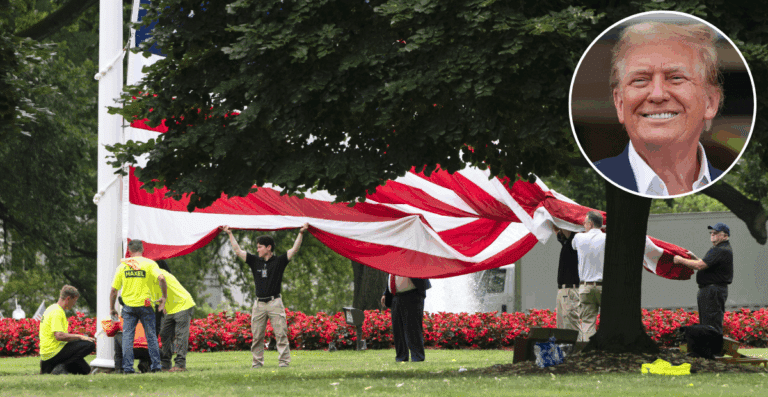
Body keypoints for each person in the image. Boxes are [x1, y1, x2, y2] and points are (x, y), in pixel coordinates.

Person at [594, 21, 724, 196]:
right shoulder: (594, 183)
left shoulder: (731, 187)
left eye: (676, 78)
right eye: (640, 80)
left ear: (710, 102)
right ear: (620, 104)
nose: (657, 95)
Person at [221, 223, 309, 368]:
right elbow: (237, 251)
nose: (257, 249)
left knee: (281, 334)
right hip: (259, 304)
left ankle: (284, 363)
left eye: (260, 247)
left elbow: (294, 249)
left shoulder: (279, 261)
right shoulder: (255, 261)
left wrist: (301, 233)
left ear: (268, 247)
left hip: (275, 303)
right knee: (257, 336)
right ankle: (257, 363)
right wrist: (230, 233)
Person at [109, 239, 167, 374]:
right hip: (146, 305)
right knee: (151, 336)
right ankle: (156, 367)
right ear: (142, 249)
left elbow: (113, 290)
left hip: (128, 307)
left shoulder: (123, 266)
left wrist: (112, 308)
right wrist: (164, 297)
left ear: (129, 251)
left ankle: (128, 368)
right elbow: (162, 278)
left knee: (127, 337)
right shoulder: (149, 263)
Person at [673, 222, 733, 334]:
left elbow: (700, 265)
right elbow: (706, 263)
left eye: (716, 233)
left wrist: (681, 260)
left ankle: (714, 346)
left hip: (712, 291)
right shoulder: (720, 248)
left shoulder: (720, 249)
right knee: (707, 324)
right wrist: (694, 257)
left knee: (711, 326)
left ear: (725, 236)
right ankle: (710, 345)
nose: (712, 234)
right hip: (712, 290)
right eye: (711, 232)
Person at [39, 285, 96, 375]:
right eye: (75, 301)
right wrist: (80, 337)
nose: (74, 304)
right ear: (68, 298)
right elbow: (59, 336)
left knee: (86, 370)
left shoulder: (51, 308)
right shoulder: (57, 312)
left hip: (47, 357)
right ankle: (61, 367)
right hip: (54, 353)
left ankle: (54, 368)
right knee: (90, 344)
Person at [152, 260, 196, 372]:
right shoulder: (154, 276)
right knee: (165, 333)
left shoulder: (158, 273)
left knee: (181, 334)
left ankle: (180, 364)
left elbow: (162, 281)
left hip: (183, 304)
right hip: (172, 308)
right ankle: (166, 363)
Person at [571, 211, 606, 342]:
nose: (583, 224)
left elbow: (573, 246)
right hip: (604, 287)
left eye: (585, 222)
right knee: (609, 321)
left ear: (590, 223)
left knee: (587, 322)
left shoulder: (579, 238)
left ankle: (587, 348)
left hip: (585, 287)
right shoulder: (607, 238)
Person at [380, 274, 432, 362]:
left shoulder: (413, 263)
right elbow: (391, 277)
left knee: (413, 327)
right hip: (396, 296)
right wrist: (386, 293)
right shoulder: (393, 265)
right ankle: (401, 357)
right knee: (397, 328)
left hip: (412, 294)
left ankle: (417, 357)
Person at [554, 227, 580, 332]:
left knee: (571, 326)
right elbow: (557, 230)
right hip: (564, 290)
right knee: (561, 327)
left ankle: (577, 343)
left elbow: (567, 228)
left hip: (570, 289)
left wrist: (562, 224)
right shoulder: (566, 244)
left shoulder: (574, 244)